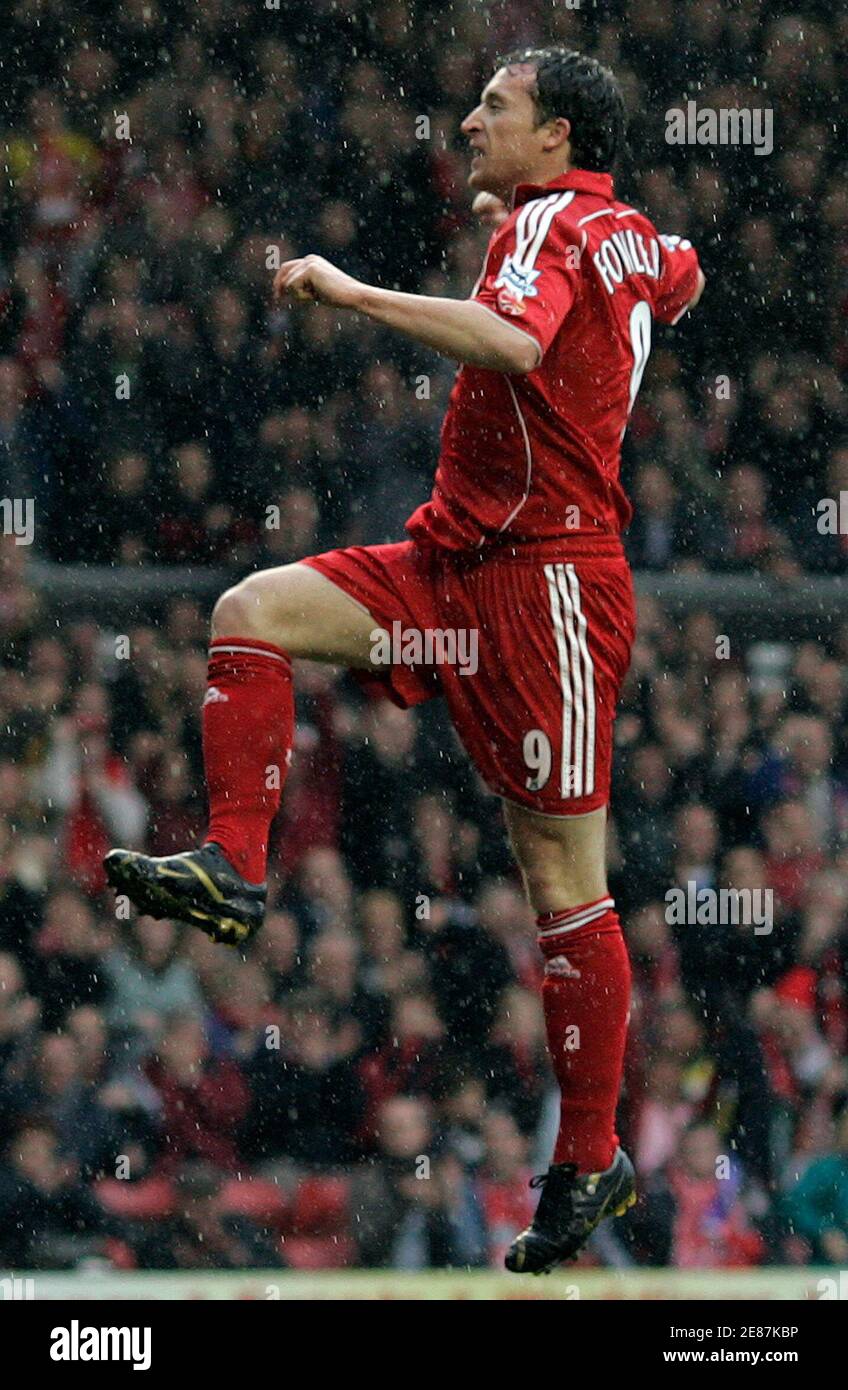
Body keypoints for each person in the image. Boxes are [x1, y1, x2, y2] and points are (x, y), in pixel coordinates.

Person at [105, 46, 705, 1272]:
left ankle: (588, 1158)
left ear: (555, 137)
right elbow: (670, 284)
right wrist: (547, 241)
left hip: (545, 589)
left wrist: (349, 291)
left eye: (499, 104)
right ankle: (233, 861)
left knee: (560, 875)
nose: (472, 115)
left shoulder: (548, 229)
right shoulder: (619, 229)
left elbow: (521, 347)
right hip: (448, 556)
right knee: (251, 612)